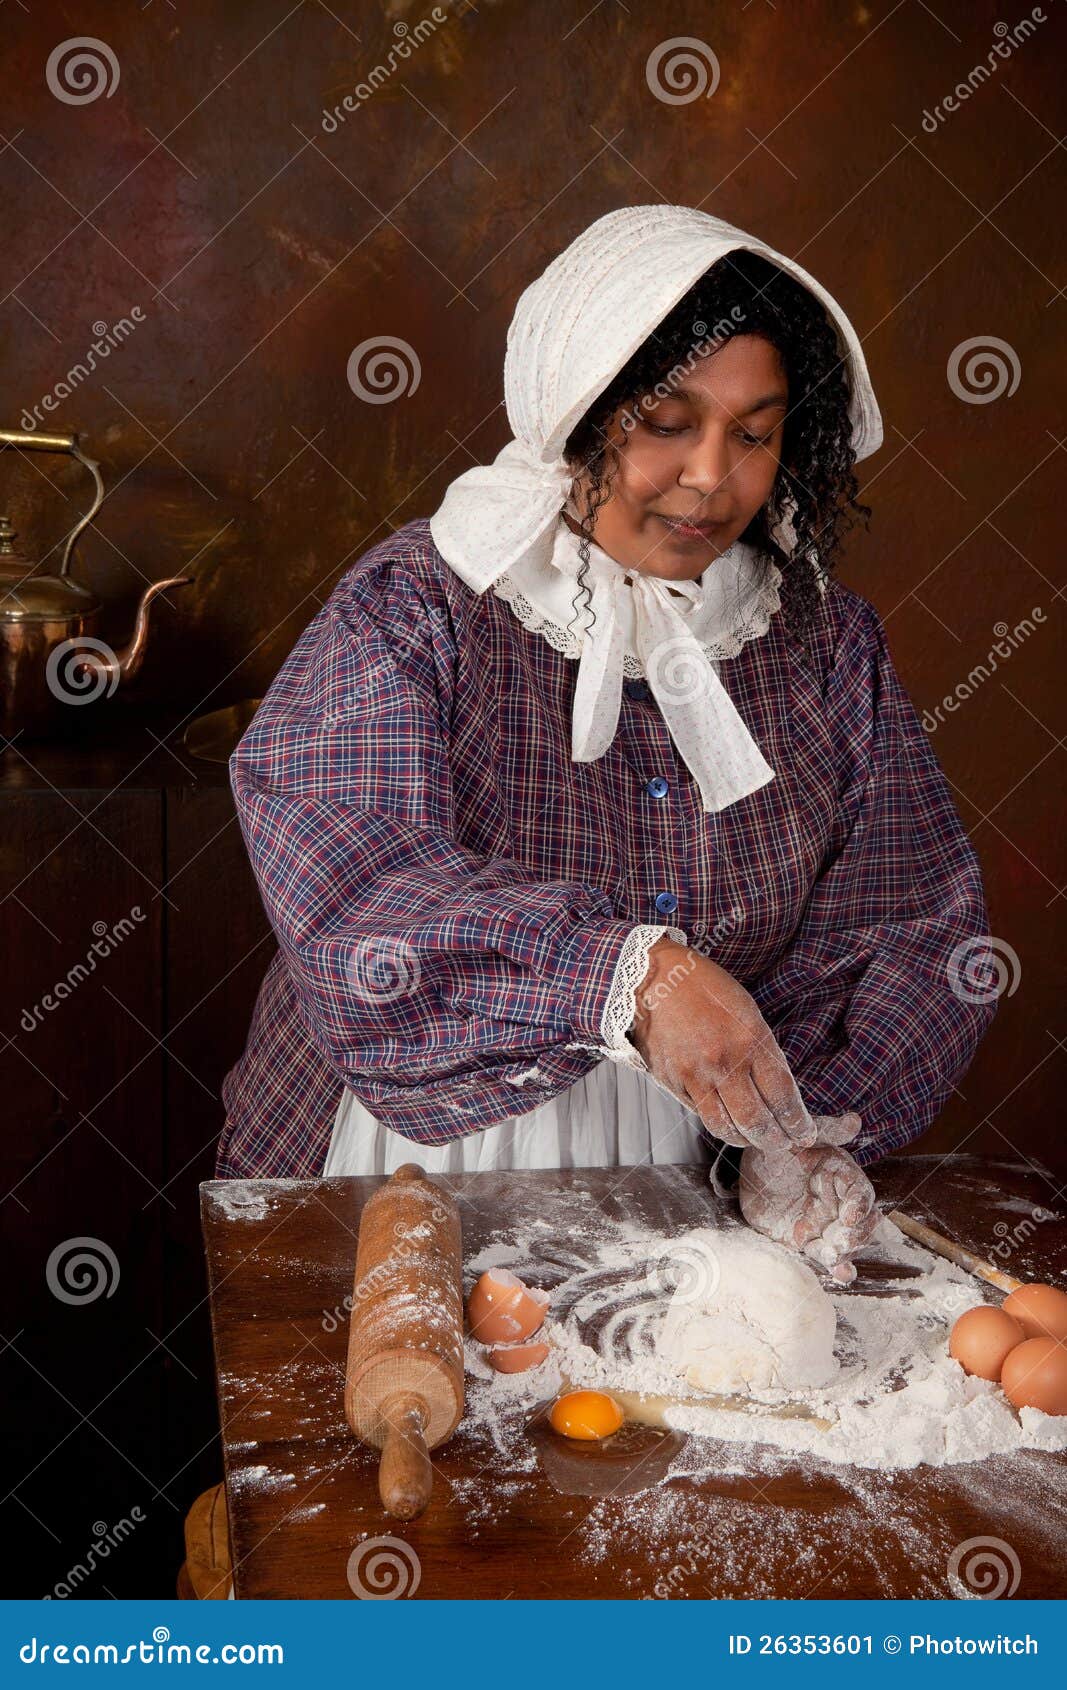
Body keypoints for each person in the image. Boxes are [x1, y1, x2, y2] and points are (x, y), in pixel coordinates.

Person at [217, 204, 996, 1283]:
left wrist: (800, 1122)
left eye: (754, 433)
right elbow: (356, 892)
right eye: (665, 421)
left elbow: (907, 914)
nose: (710, 478)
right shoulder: (419, 606)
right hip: (406, 1154)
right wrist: (621, 979)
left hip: (694, 1179)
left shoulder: (820, 644)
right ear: (576, 409)